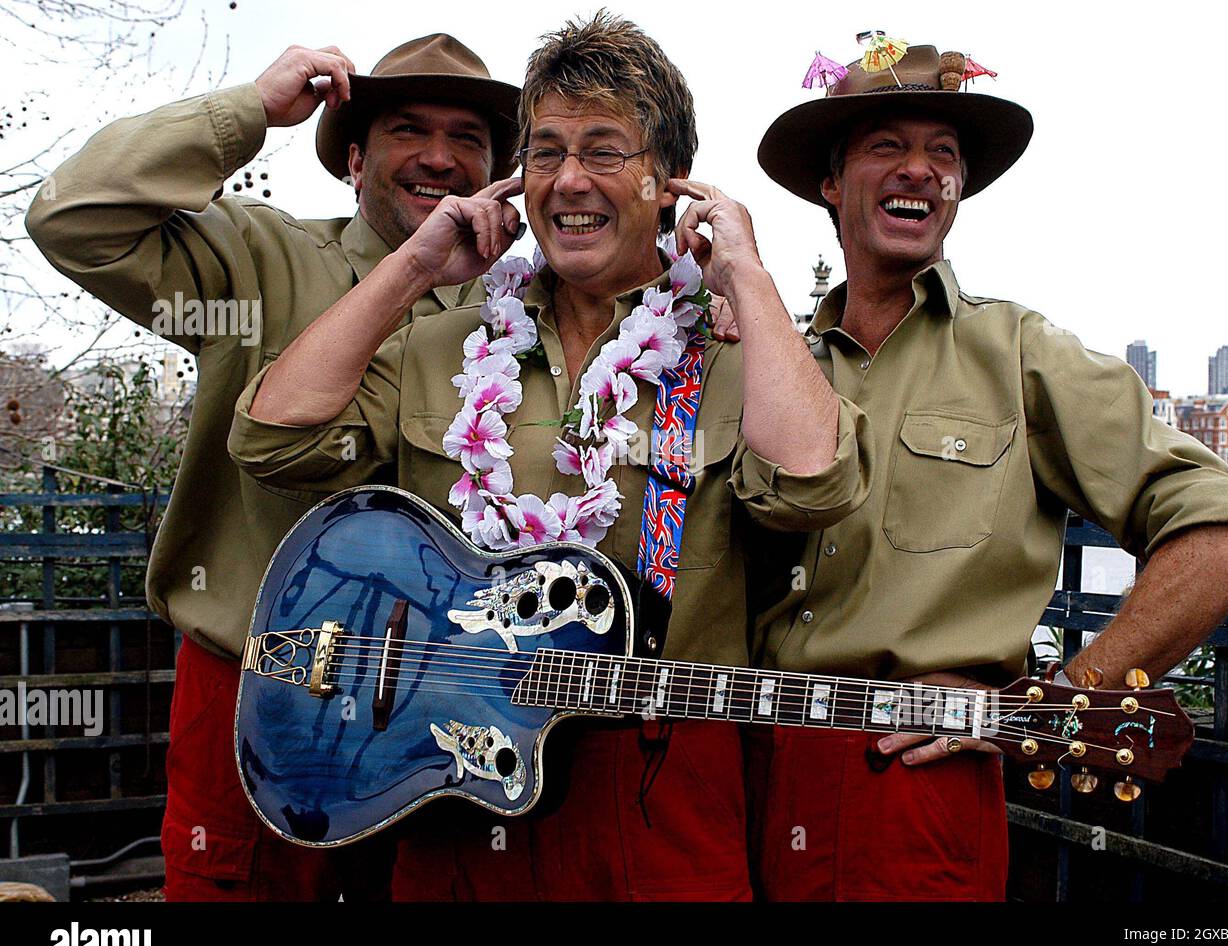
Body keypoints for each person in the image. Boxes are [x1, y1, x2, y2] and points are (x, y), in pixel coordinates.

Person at [229, 11, 865, 900]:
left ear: (670, 180)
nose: (569, 180)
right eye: (545, 151)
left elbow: (813, 483)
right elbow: (271, 435)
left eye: (605, 150)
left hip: (658, 790)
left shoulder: (729, 353)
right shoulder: (444, 342)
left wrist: (747, 279)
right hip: (454, 784)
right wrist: (413, 267)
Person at [740, 42, 1228, 901]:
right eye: (886, 145)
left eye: (943, 154)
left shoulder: (1019, 351)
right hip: (745, 775)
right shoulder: (770, 369)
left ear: (957, 193)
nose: (919, 168)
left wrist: (1061, 698)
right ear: (830, 185)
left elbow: (1227, 541)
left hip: (911, 788)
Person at [25, 33, 520, 901]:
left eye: (468, 139)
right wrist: (249, 109)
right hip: (256, 685)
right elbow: (72, 216)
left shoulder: (525, 318)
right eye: (408, 129)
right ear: (354, 157)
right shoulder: (258, 259)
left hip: (449, 723)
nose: (439, 157)